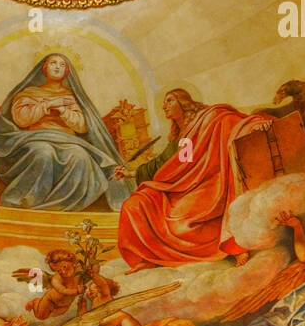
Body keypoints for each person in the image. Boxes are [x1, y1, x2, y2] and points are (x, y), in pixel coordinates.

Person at [116, 88, 271, 270]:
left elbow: (233, 124)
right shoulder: (182, 136)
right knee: (135, 204)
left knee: (183, 218)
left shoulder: (209, 118)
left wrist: (254, 127)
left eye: (169, 101)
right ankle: (151, 258)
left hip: (213, 181)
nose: (164, 106)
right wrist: (130, 173)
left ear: (183, 102)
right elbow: (169, 164)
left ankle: (234, 246)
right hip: (186, 185)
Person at [0, 53, 132, 211]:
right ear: (44, 68)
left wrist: (63, 110)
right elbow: (22, 119)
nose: (57, 67)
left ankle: (60, 203)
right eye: (53, 63)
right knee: (43, 152)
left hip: (69, 140)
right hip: (36, 138)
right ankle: (28, 200)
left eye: (62, 65)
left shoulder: (73, 97)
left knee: (80, 156)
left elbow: (83, 126)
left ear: (67, 71)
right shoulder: (29, 92)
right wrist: (48, 104)